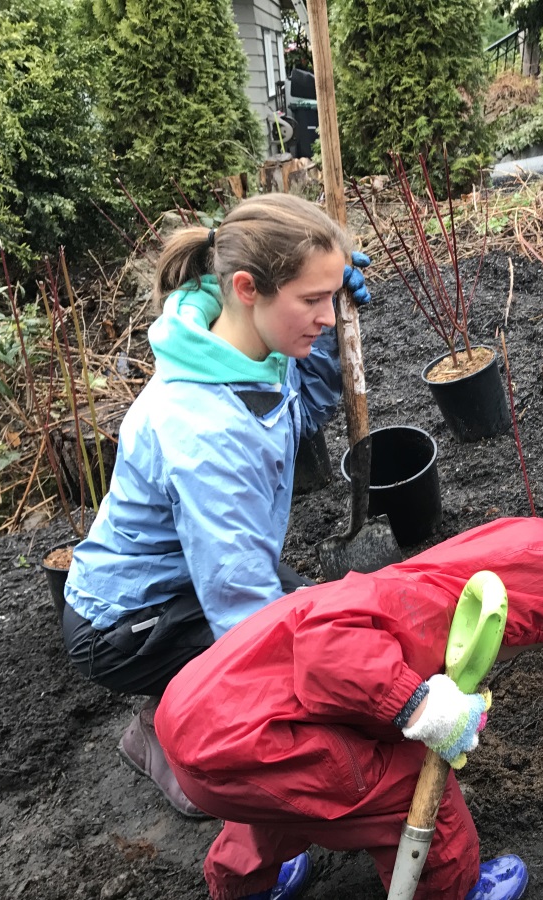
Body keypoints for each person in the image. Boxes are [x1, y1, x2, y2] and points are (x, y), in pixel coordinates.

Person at [61, 193, 373, 819]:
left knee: (312, 617)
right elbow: (242, 612)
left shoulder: (245, 347)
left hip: (189, 575)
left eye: (332, 295)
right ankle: (171, 736)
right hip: (123, 625)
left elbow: (298, 414)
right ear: (246, 287)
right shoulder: (202, 428)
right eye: (312, 300)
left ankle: (164, 707)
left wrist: (331, 338)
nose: (325, 313)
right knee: (284, 675)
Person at [155, 516, 543, 900]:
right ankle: (453, 891)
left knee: (285, 791)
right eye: (533, 641)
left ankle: (245, 884)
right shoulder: (421, 613)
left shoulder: (410, 585)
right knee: (405, 789)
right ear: (509, 619)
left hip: (215, 729)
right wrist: (422, 709)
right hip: (237, 745)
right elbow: (327, 651)